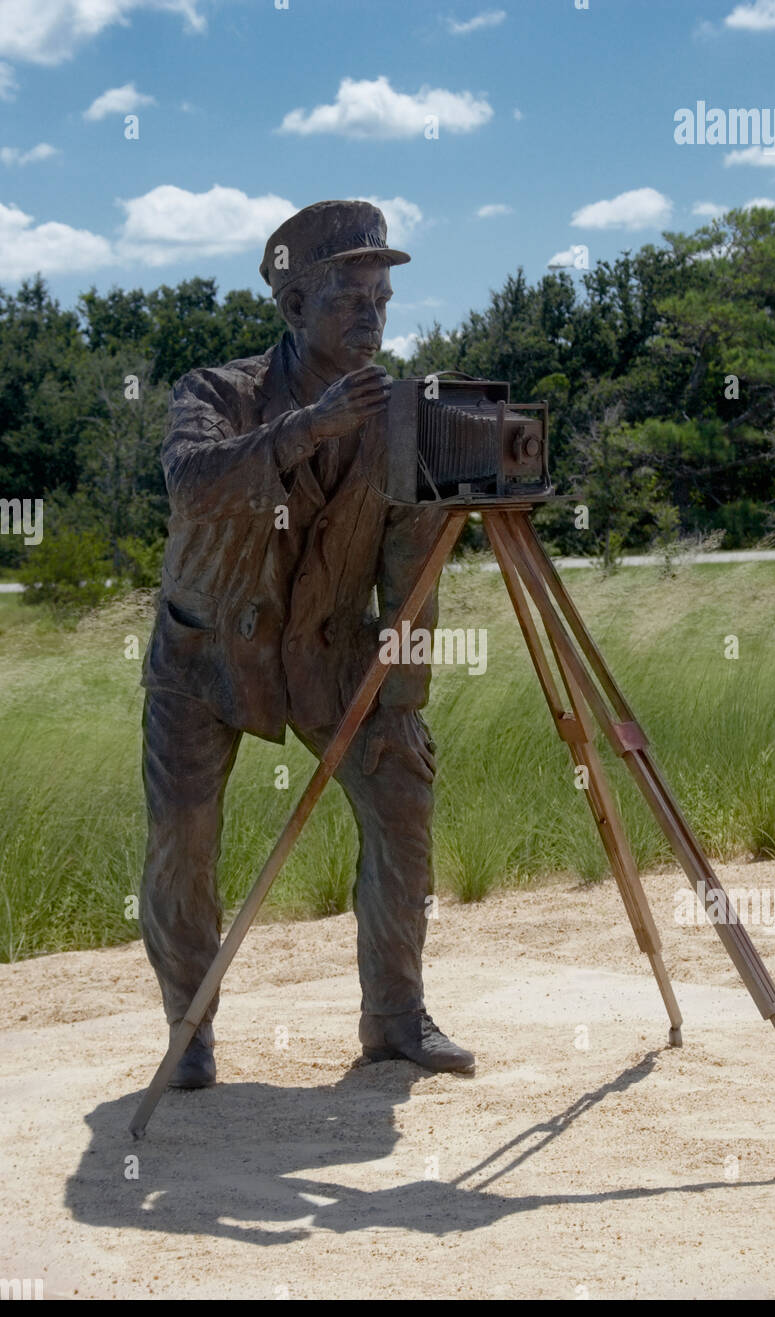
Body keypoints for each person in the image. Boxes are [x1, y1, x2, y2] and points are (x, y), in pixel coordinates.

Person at [139, 200, 475, 1088]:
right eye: (349, 297)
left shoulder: (401, 412)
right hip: (209, 656)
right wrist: (308, 428)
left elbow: (411, 566)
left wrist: (401, 693)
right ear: (292, 307)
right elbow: (193, 486)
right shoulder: (215, 392)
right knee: (183, 834)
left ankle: (396, 1019)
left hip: (332, 651)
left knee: (403, 793)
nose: (372, 315)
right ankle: (190, 1029)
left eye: (383, 296)